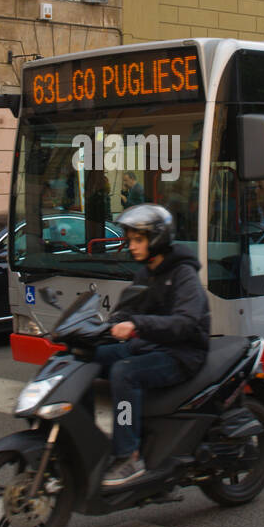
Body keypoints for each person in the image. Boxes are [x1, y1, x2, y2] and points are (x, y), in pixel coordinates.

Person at [93, 204, 210, 488]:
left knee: (125, 372)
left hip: (181, 352)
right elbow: (126, 309)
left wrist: (137, 326)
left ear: (157, 239)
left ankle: (128, 456)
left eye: (138, 240)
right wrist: (97, 330)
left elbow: (186, 322)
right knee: (88, 357)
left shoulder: (183, 274)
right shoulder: (146, 273)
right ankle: (85, 441)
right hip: (150, 346)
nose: (131, 246)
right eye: (130, 239)